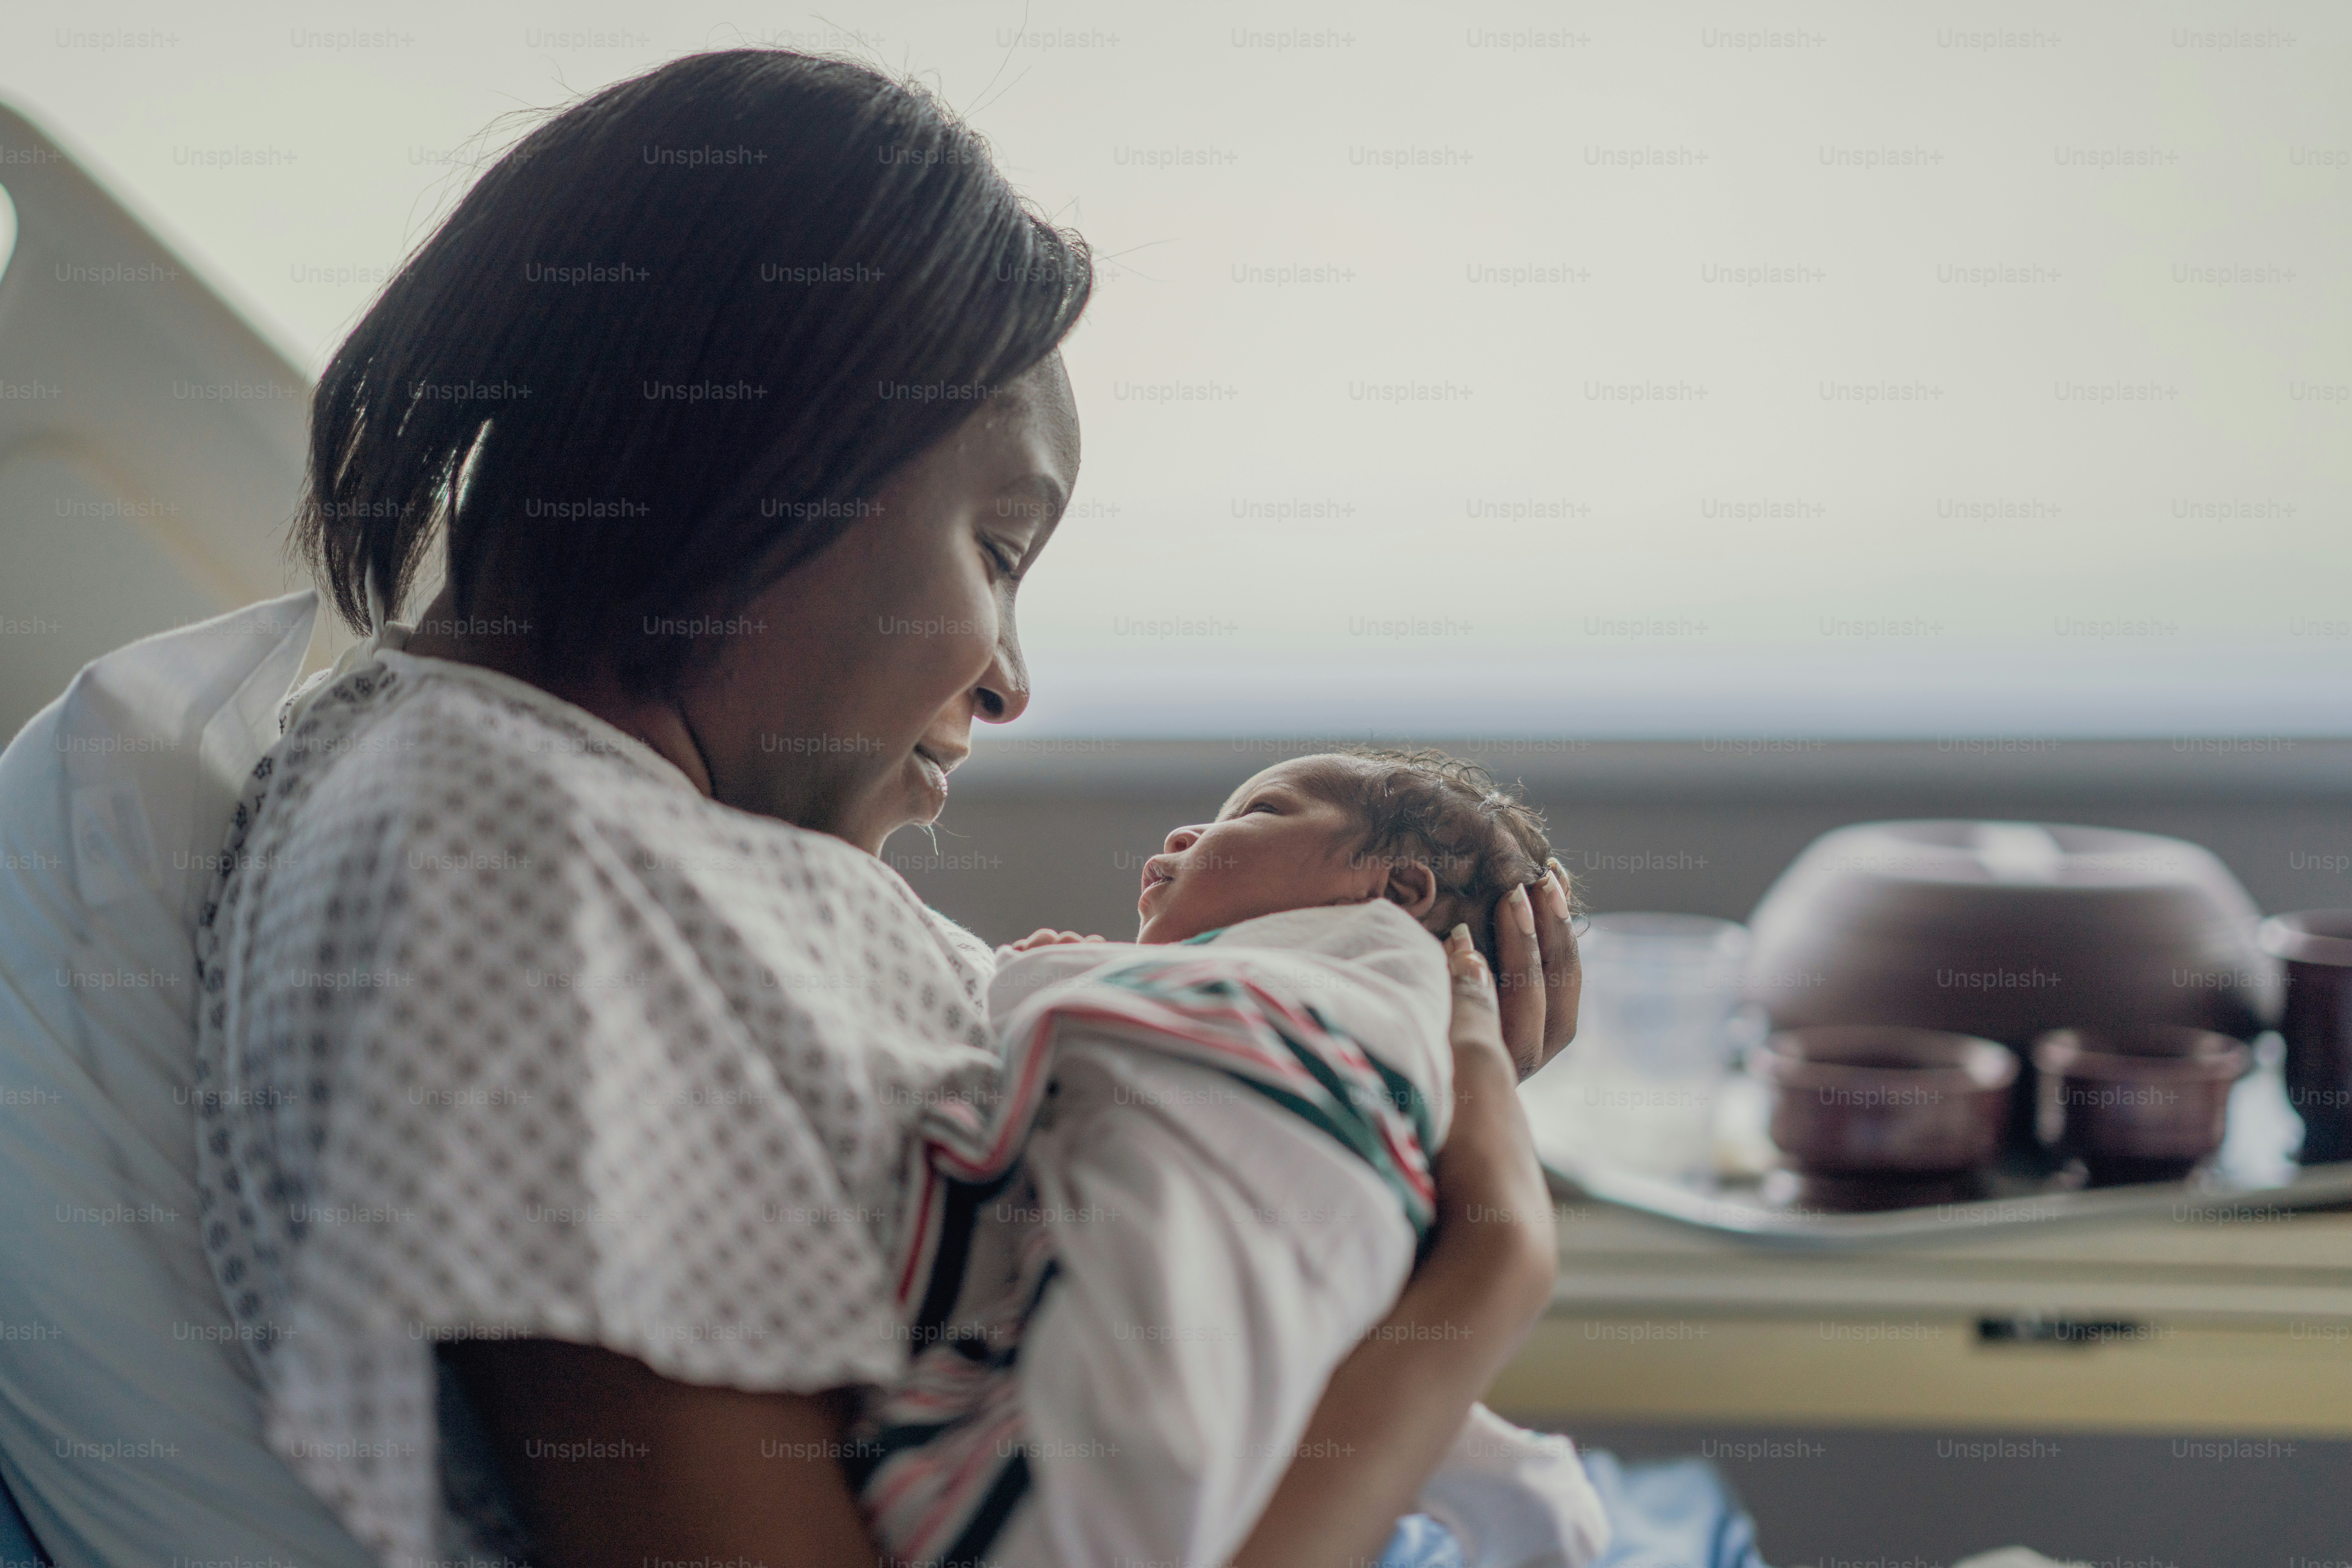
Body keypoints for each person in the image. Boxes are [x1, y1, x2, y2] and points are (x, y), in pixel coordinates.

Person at [187, 48, 1581, 1568]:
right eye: (998, 551)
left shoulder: (603, 820)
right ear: (761, 451)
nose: (1010, 684)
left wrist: (1361, 1085)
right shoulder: (512, 865)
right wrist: (1480, 1279)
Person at [852, 750, 1609, 1568]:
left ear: (1396, 893)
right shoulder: (1414, 1051)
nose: (1185, 834)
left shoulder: (1338, 964)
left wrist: (1035, 966)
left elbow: (1015, 1005)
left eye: (1259, 811)